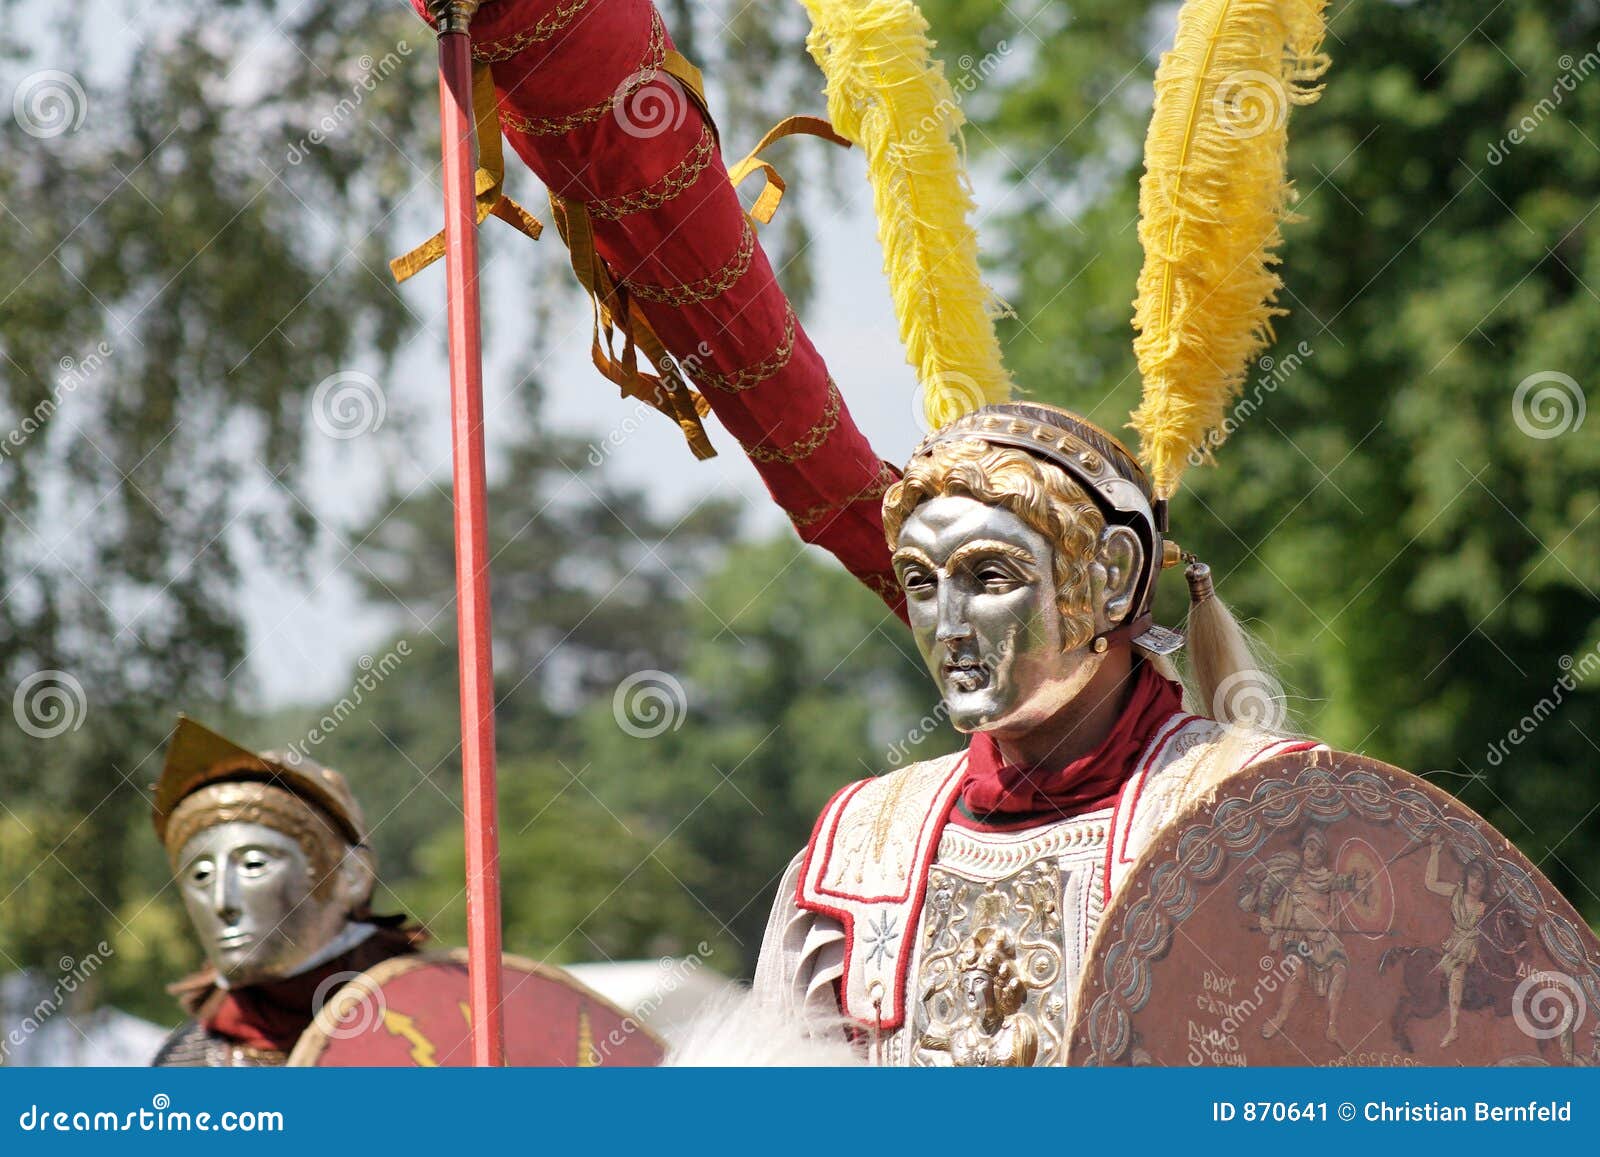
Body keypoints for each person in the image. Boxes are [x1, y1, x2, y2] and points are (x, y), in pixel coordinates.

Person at [752, 403, 1322, 1065]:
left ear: (1110, 574)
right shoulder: (861, 846)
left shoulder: (1261, 808)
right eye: (920, 582)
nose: (948, 624)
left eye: (988, 575)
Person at [150, 717, 423, 1066]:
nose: (222, 902)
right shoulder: (186, 1063)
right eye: (201, 874)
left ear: (351, 877)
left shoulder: (436, 1019)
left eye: (252, 865)